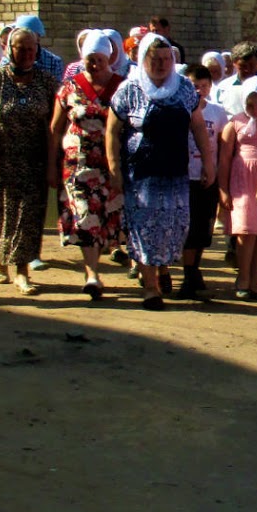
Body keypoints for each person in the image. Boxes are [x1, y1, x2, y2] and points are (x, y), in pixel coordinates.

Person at [106, 34, 215, 309]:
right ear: (144, 59)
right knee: (144, 227)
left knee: (172, 228)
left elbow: (199, 127)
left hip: (175, 172)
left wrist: (208, 163)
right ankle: (151, 287)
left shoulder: (184, 89)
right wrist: (114, 167)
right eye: (155, 59)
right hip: (141, 174)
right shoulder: (129, 89)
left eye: (167, 59)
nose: (162, 64)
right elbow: (112, 130)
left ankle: (162, 269)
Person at [48, 30, 124, 298]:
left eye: (99, 59)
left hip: (111, 162)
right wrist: (51, 164)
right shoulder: (70, 86)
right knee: (85, 215)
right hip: (77, 165)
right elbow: (56, 129)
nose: (94, 64)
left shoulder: (121, 85)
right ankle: (92, 274)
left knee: (108, 216)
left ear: (109, 58)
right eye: (90, 59)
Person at [0, 25, 58, 293]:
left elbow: (53, 126)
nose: (26, 53)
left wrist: (52, 163)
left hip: (34, 159)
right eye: (20, 48)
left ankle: (22, 271)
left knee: (29, 216)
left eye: (31, 48)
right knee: (0, 212)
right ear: (9, 49)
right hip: (2, 158)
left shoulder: (47, 82)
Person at [218, 76, 257, 300]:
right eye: (250, 104)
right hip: (242, 182)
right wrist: (223, 189)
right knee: (245, 231)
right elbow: (224, 159)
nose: (255, 109)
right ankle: (242, 278)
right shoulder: (234, 124)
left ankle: (255, 282)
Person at [178, 62, 227, 298]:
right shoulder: (179, 108)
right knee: (187, 228)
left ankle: (195, 269)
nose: (198, 91)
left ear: (210, 87)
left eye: (203, 86)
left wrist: (216, 172)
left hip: (207, 176)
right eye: (194, 86)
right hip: (185, 175)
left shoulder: (217, 112)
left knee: (203, 227)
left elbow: (222, 144)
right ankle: (187, 274)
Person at [13, 13, 66, 84]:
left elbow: (57, 91)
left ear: (38, 38)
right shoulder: (6, 62)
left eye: (30, 35)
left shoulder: (53, 62)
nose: (26, 54)